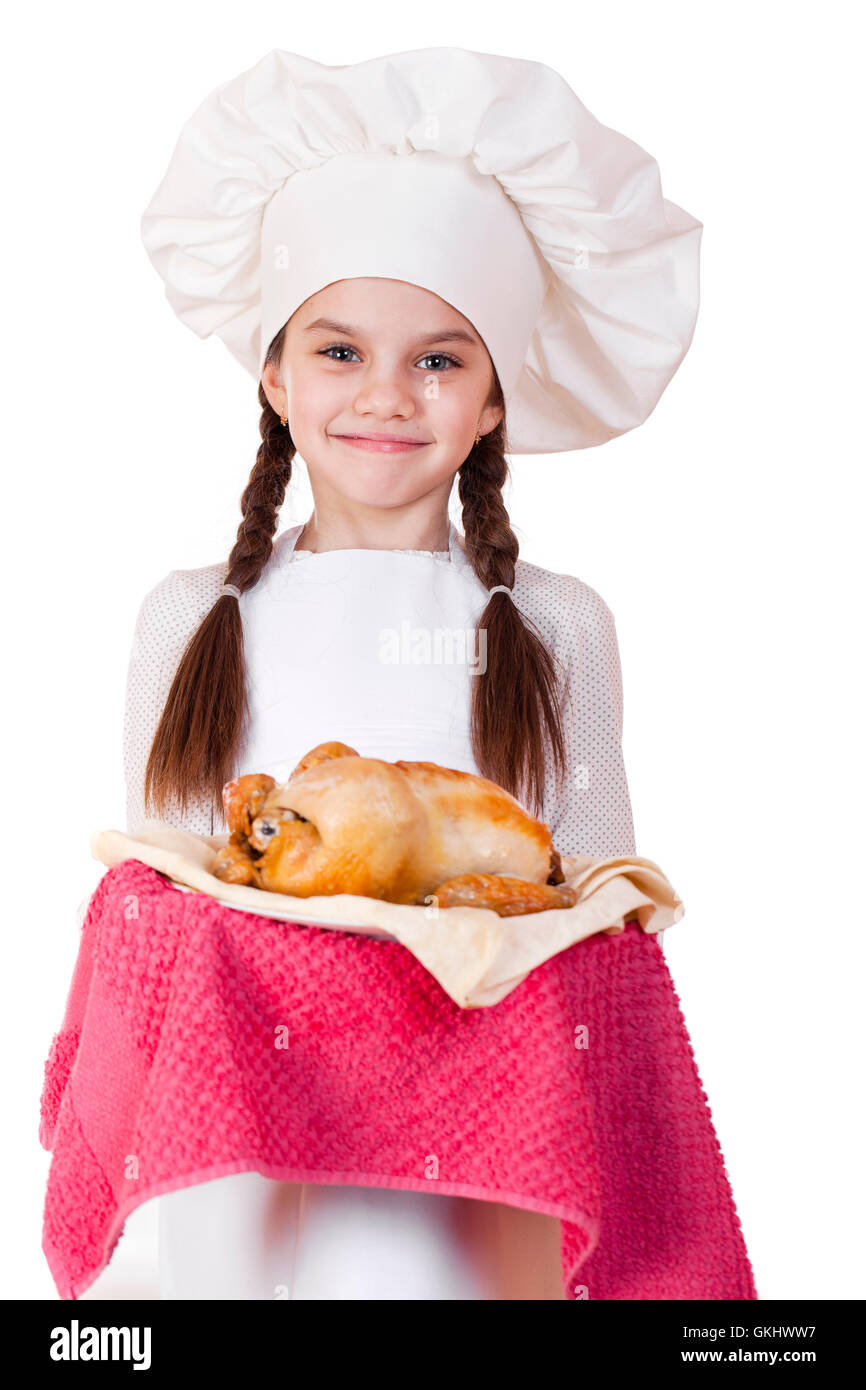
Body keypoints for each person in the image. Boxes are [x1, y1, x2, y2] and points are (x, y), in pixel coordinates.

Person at [126, 46, 707, 1299]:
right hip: (246, 1174)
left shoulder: (554, 626)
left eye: (438, 359)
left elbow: (590, 896)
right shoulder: (192, 619)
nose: (385, 396)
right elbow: (161, 925)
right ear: (272, 378)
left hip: (478, 1160)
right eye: (337, 353)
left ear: (495, 395)